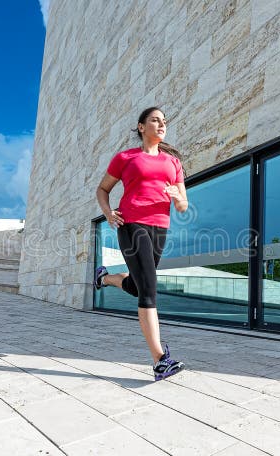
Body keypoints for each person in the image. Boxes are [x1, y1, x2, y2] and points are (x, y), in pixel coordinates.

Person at [94, 106, 188, 381]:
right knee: (149, 289)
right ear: (141, 127)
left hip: (160, 226)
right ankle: (161, 360)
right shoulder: (126, 158)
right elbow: (103, 189)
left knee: (138, 286)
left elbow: (183, 205)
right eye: (155, 120)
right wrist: (109, 213)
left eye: (164, 121)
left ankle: (106, 278)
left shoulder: (173, 163)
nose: (161, 125)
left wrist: (176, 196)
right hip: (131, 223)